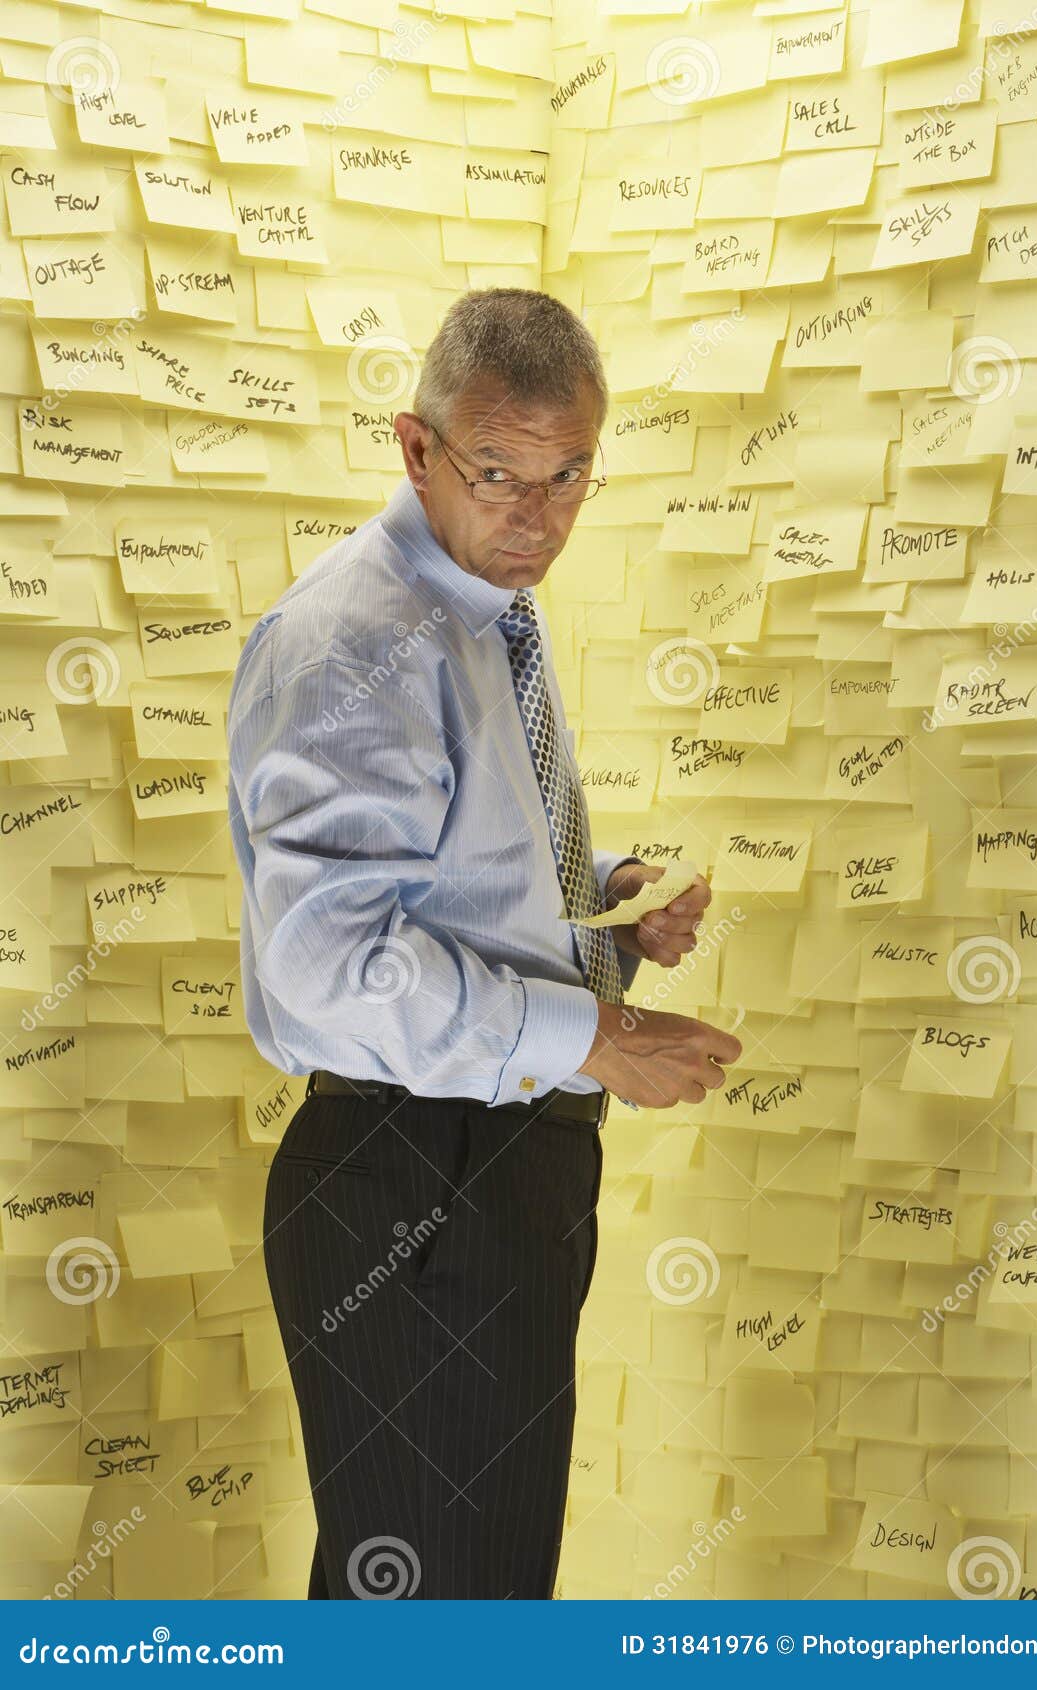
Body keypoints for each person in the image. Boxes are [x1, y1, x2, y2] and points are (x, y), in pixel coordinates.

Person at [226, 287, 742, 1601]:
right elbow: (332, 960)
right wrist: (599, 1036)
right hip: (419, 1180)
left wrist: (601, 906)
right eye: (501, 472)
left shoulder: (481, 596)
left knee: (417, 1596)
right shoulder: (363, 638)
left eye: (571, 477)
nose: (540, 515)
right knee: (459, 1610)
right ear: (416, 448)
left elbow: (449, 885)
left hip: (484, 1172)